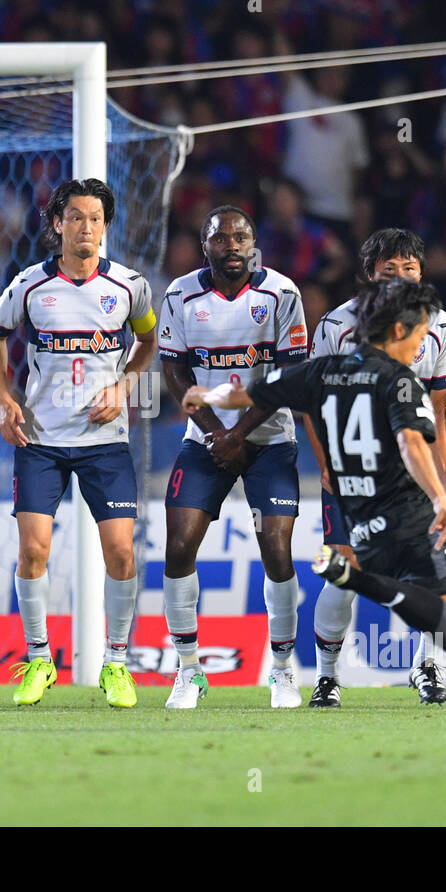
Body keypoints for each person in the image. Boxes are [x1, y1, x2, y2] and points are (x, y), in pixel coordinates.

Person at [183, 279, 446, 731]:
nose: (422, 346)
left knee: (439, 621)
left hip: (361, 528)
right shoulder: (401, 383)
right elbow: (411, 443)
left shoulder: (317, 373)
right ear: (397, 330)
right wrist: (441, 499)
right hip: (411, 524)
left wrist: (204, 396)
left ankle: (365, 584)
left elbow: (245, 393)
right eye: (419, 335)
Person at [0, 178, 158, 708]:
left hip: (105, 441)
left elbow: (149, 340)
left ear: (106, 226)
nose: (87, 228)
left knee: (122, 552)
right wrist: (6, 401)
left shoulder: (129, 287)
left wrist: (124, 384)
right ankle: (39, 660)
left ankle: (117, 665)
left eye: (96, 219)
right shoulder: (30, 286)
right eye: (77, 217)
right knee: (33, 549)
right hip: (41, 438)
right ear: (58, 224)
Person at [305, 228, 446, 707]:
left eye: (410, 269)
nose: (401, 279)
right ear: (368, 277)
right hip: (354, 469)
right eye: (389, 271)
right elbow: (311, 400)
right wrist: (326, 462)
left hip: (413, 470)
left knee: (439, 571)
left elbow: (439, 413)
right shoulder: (337, 326)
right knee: (343, 571)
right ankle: (327, 678)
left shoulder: (442, 327)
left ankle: (429, 668)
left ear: (422, 273)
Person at [158, 206, 308, 709]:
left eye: (241, 237)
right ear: (206, 247)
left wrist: (238, 433)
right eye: (220, 239)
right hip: (204, 438)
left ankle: (283, 670)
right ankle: (188, 669)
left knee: (277, 549)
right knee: (178, 546)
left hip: (269, 439)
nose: (232, 246)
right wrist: (215, 432)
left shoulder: (282, 294)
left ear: (254, 243)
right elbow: (174, 371)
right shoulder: (180, 293)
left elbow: (288, 378)